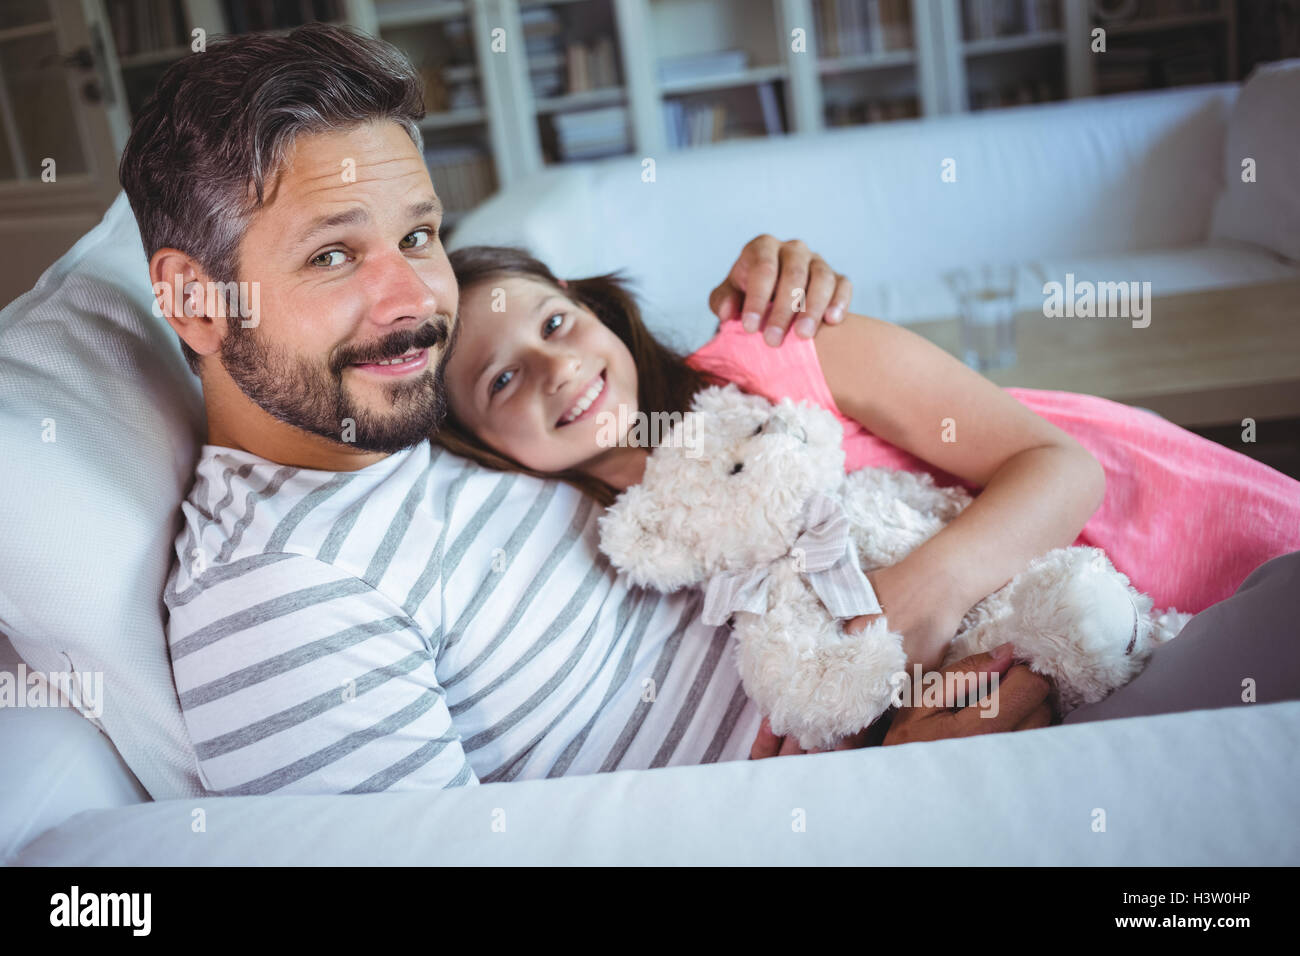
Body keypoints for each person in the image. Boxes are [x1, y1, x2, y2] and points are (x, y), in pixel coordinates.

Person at [130, 23, 1056, 795]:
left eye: (418, 235)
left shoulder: (406, 421)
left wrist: (769, 321)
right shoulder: (280, 599)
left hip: (972, 647)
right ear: (197, 301)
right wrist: (894, 787)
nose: (413, 299)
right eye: (333, 256)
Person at [434, 245, 1300, 755]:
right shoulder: (623, 544)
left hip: (1140, 564)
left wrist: (930, 588)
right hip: (1019, 713)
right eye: (502, 377)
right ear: (482, 446)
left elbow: (1062, 468)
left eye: (554, 323)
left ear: (594, 309)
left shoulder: (779, 353)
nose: (556, 368)